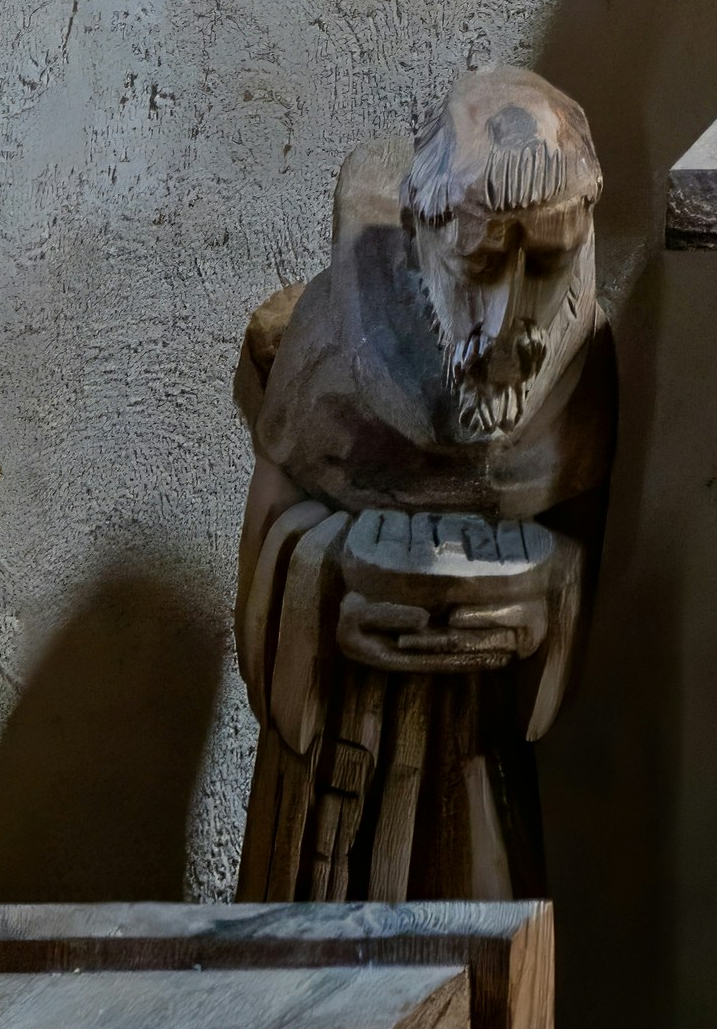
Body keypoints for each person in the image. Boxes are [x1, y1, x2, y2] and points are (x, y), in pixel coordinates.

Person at [231, 64, 613, 898]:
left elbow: (584, 551)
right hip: (339, 749)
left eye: (549, 264)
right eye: (483, 263)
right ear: (423, 231)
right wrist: (331, 586)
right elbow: (265, 556)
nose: (517, 320)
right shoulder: (333, 344)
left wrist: (544, 596)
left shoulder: (582, 366)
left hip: (478, 760)